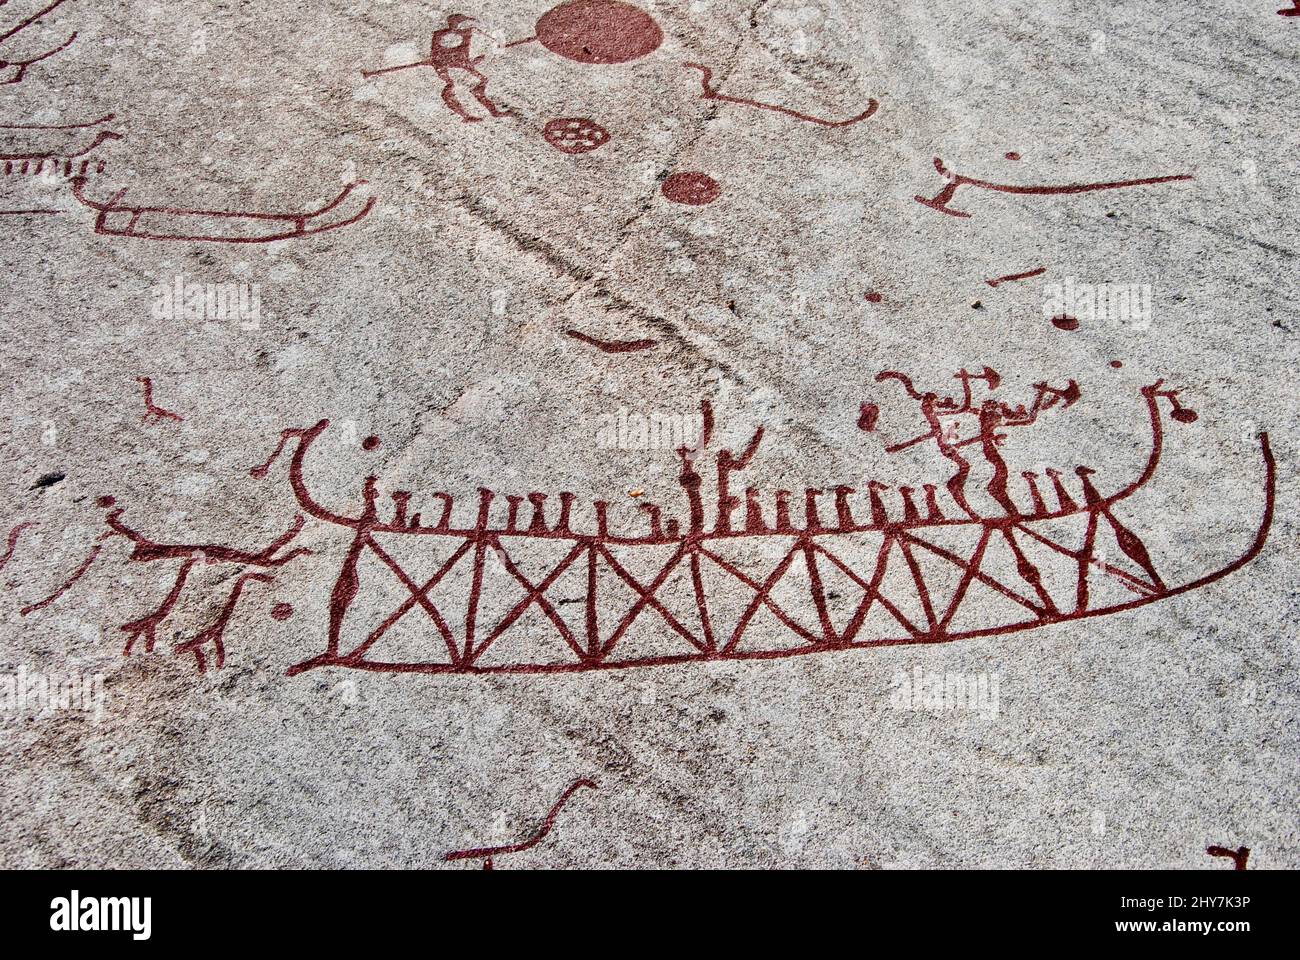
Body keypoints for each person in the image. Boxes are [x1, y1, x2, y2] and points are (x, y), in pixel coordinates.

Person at [362, 14, 512, 123]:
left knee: (473, 83)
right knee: (457, 86)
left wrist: (472, 62)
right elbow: (446, 54)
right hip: (450, 66)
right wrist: (469, 63)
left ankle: (483, 112)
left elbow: (457, 54)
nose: (460, 26)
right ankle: (472, 114)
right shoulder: (448, 35)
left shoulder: (455, 34)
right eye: (460, 23)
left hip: (455, 65)